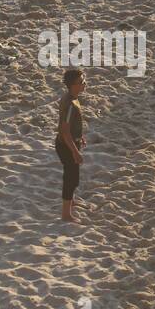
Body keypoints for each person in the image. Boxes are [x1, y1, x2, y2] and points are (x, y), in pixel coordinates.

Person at [55, 69, 86, 223]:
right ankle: (66, 214)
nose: (84, 84)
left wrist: (80, 137)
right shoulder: (70, 104)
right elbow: (65, 131)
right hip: (66, 145)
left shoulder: (71, 97)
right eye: (81, 82)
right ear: (72, 85)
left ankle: (71, 201)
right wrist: (75, 151)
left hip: (71, 142)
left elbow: (71, 126)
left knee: (74, 177)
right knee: (70, 178)